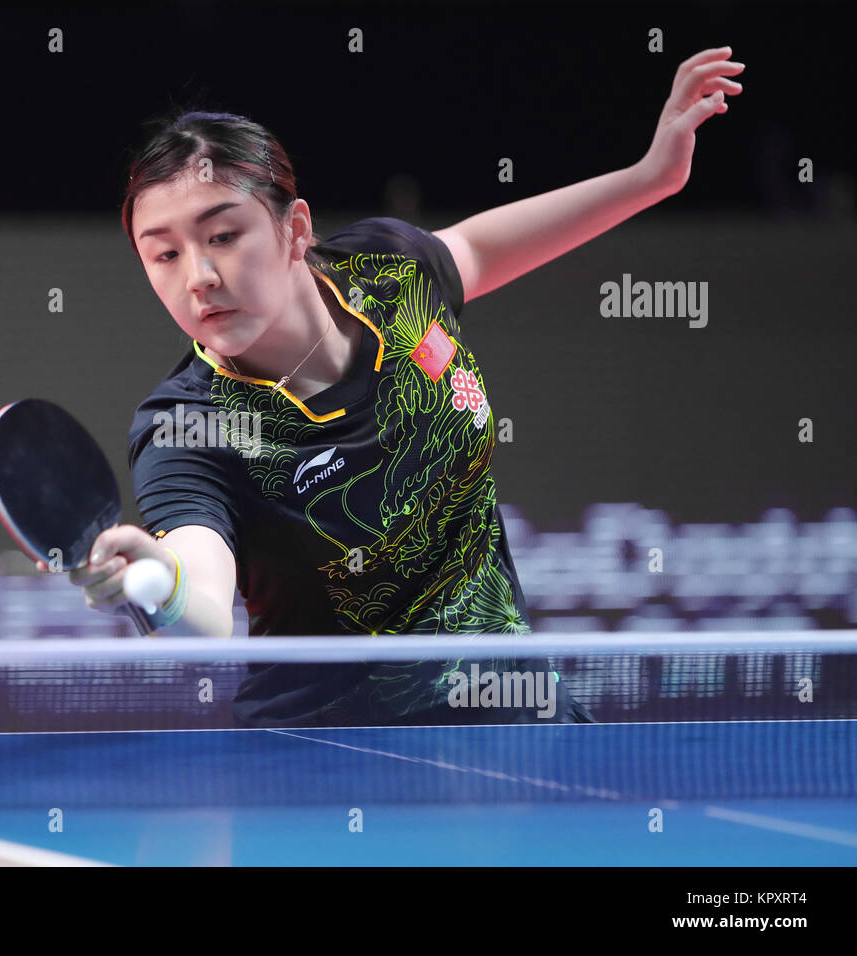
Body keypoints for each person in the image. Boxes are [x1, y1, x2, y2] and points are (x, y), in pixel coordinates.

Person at [39, 48, 743, 727]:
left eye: (222, 236)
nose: (197, 277)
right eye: (164, 254)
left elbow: (478, 247)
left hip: (517, 709)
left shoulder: (390, 271)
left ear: (295, 229)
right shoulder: (186, 425)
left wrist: (652, 177)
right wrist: (162, 585)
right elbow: (205, 603)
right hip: (332, 753)